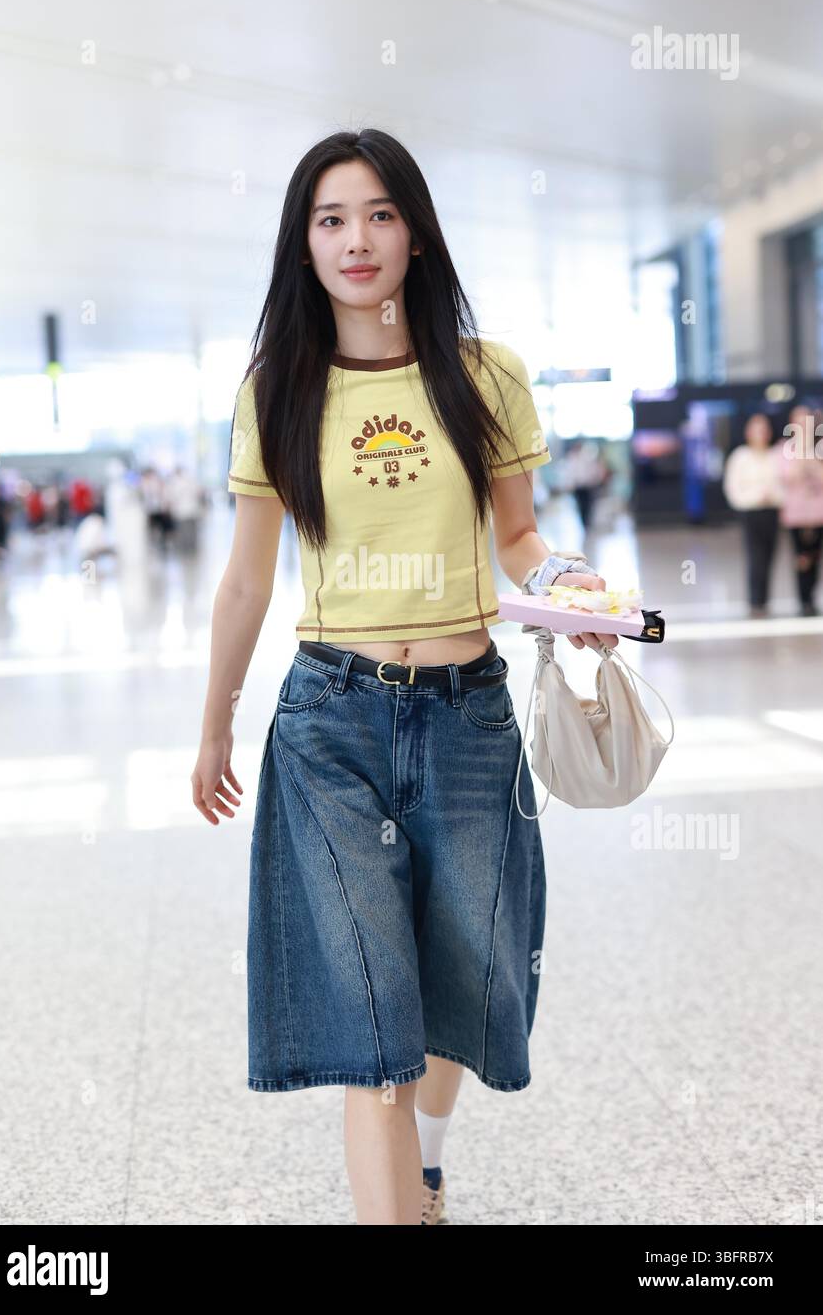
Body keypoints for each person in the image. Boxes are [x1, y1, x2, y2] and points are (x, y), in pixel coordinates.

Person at [191, 129, 619, 1227]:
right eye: (329, 219)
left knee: (461, 976)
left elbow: (519, 536)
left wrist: (572, 586)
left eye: (378, 213)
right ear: (302, 246)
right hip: (329, 720)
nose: (355, 239)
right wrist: (213, 730)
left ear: (416, 233)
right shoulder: (277, 387)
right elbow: (245, 582)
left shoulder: (485, 376)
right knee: (370, 1018)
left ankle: (425, 1164)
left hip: (468, 717)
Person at [722, 413, 783, 617]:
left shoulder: (775, 455)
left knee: (769, 555)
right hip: (751, 512)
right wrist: (754, 498)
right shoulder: (740, 456)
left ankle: (765, 599)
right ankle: (756, 600)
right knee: (755, 556)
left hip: (772, 511)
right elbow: (733, 488)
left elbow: (783, 485)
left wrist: (773, 497)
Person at [775, 404, 823, 617]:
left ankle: (813, 597)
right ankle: (804, 601)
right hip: (796, 516)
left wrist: (810, 459)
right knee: (802, 559)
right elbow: (789, 477)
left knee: (815, 557)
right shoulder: (783, 449)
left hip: (818, 514)